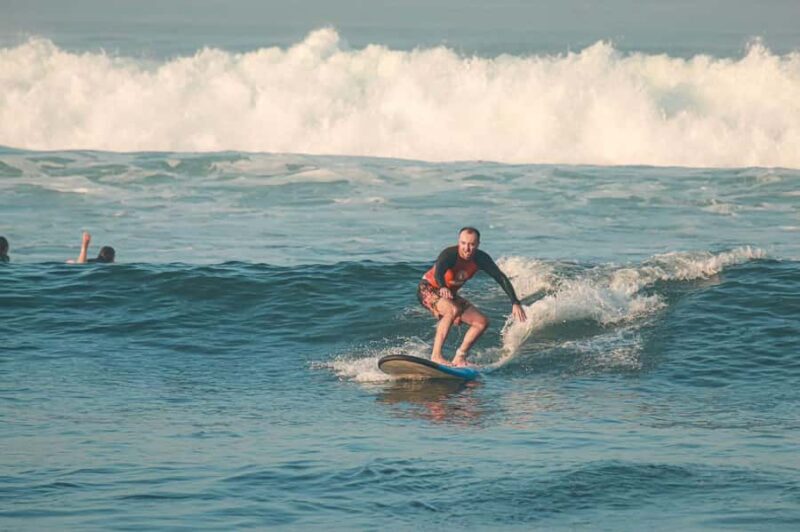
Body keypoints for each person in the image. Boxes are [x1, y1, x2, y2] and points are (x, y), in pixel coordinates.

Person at [418, 227, 526, 367]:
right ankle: (436, 356)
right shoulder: (449, 254)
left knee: (481, 322)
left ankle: (460, 357)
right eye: (463, 243)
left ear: (478, 244)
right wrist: (443, 286)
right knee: (452, 310)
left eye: (471, 244)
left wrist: (515, 302)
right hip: (428, 289)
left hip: (449, 294)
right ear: (459, 242)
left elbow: (500, 277)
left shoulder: (481, 258)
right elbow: (439, 272)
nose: (466, 248)